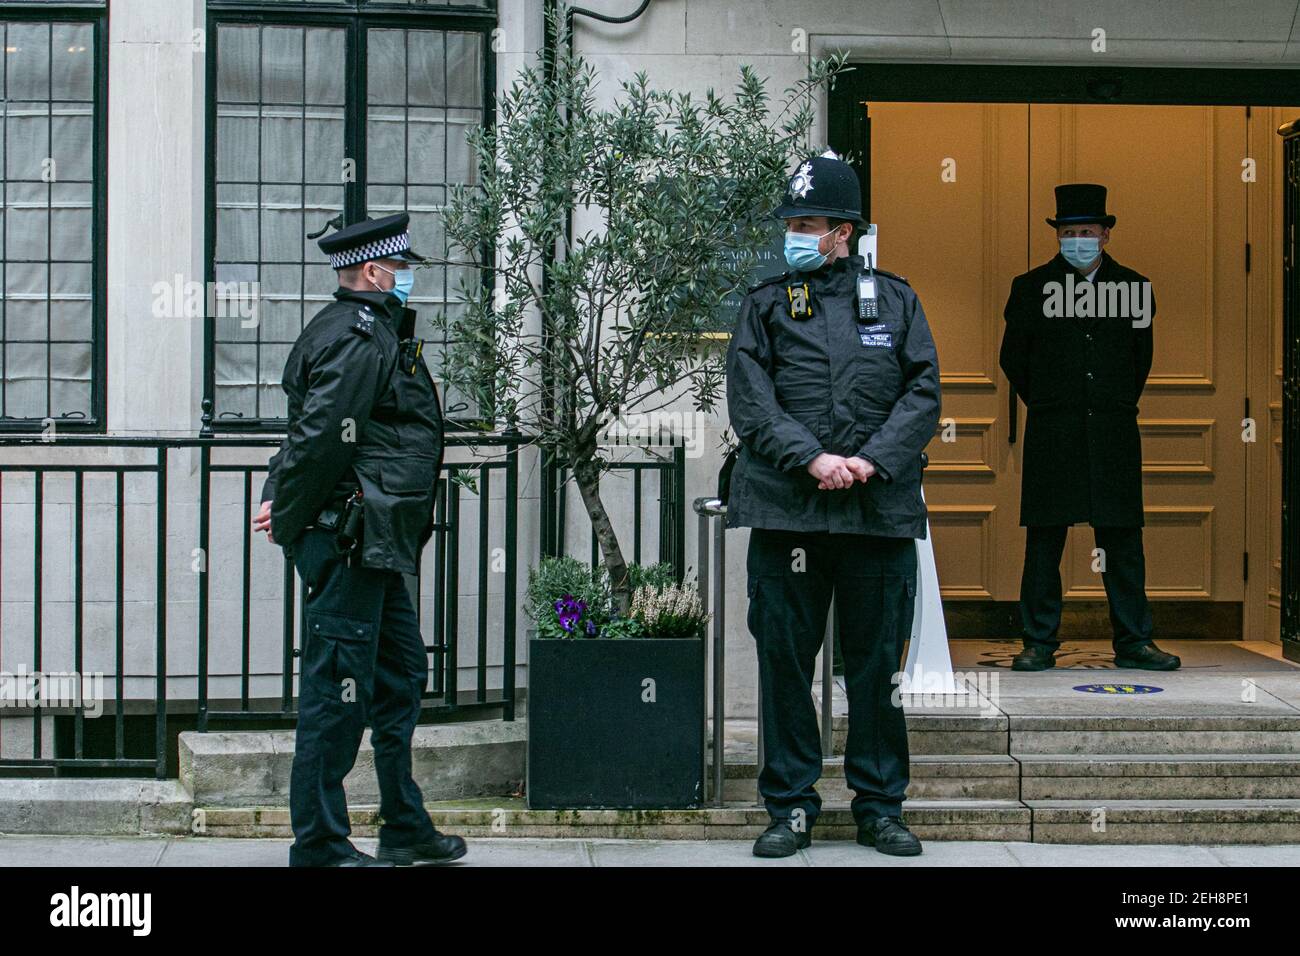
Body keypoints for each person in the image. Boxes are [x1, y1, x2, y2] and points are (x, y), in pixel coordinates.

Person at [726, 150, 942, 858]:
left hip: (876, 517)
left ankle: (880, 807)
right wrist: (812, 458)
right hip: (789, 514)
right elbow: (751, 403)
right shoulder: (763, 306)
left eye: (809, 223)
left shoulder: (898, 301)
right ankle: (789, 807)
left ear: (843, 231)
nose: (795, 234)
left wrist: (871, 461)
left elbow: (923, 394)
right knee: (786, 665)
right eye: (791, 222)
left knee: (878, 668)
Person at [253, 212, 468, 866]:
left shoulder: (365, 331)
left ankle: (403, 823)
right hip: (348, 538)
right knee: (337, 693)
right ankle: (319, 843)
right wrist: (287, 513)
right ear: (373, 272)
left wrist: (275, 492)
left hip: (371, 542)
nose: (408, 279)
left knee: (399, 674)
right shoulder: (358, 336)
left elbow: (317, 432)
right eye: (401, 269)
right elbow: (321, 436)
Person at [999, 183, 1180, 672]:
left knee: (1122, 540)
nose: (1078, 238)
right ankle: (1038, 642)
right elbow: (1013, 358)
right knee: (1044, 541)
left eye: (1087, 230)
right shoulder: (1030, 287)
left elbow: (1140, 358)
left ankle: (1134, 641)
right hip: (1052, 430)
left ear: (1105, 234)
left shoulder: (1135, 287)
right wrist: (1049, 401)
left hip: (1113, 431)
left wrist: (1112, 401)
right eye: (1069, 231)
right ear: (1058, 236)